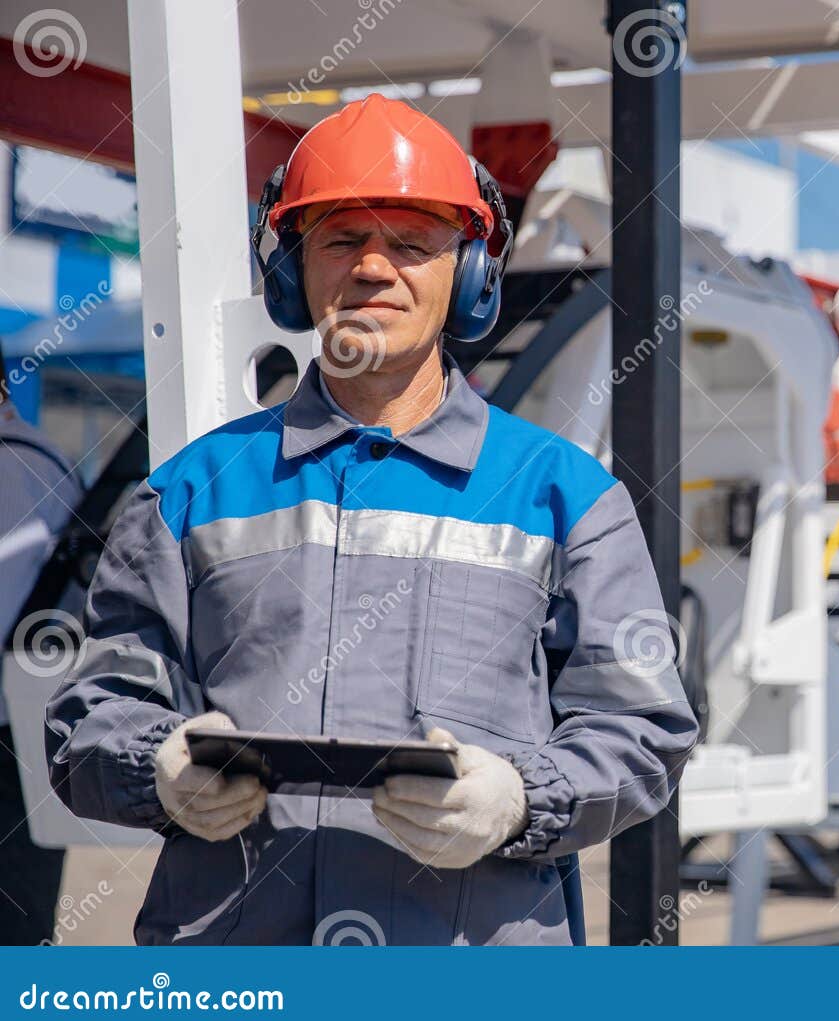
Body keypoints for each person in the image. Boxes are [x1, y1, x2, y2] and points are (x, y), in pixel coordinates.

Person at [45, 94, 698, 945]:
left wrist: (520, 799)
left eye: (413, 243)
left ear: (467, 274)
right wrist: (157, 766)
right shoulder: (189, 492)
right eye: (342, 239)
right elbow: (93, 713)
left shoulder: (565, 496)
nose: (374, 268)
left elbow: (644, 727)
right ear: (294, 271)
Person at [0, 353, 83, 944]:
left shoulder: (25, 466)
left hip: (16, 725)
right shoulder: (54, 465)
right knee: (23, 920)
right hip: (30, 722)